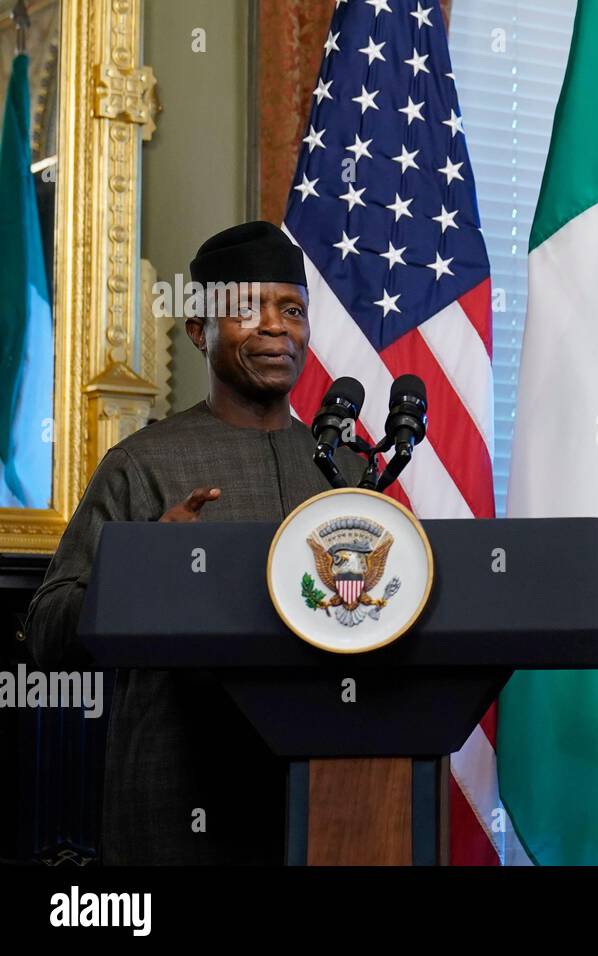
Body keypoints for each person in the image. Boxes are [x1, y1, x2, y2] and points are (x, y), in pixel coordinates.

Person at [25, 221, 363, 864]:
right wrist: (144, 564)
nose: (274, 327)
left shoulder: (343, 470)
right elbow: (47, 633)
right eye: (247, 310)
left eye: (291, 310)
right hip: (177, 796)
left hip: (327, 795)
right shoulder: (142, 463)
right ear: (200, 331)